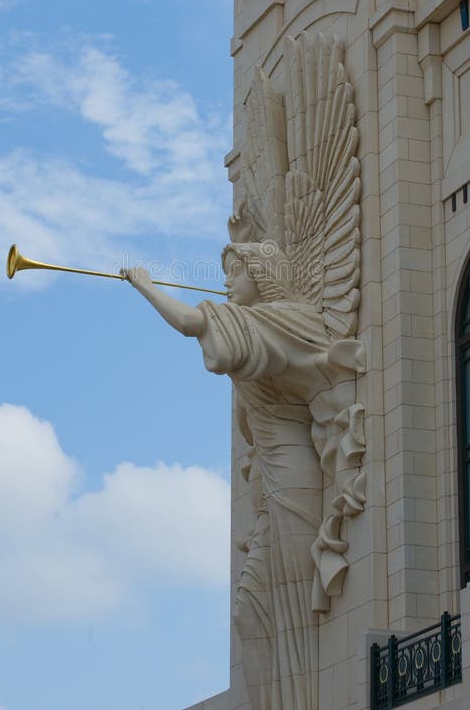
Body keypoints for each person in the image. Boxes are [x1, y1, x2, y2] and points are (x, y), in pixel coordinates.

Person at [125, 243, 360, 710]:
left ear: (262, 274)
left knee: (291, 605)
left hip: (292, 476)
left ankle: (303, 700)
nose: (228, 282)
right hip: (272, 485)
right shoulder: (261, 326)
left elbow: (192, 323)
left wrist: (144, 285)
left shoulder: (279, 321)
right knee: (250, 608)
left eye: (237, 272)